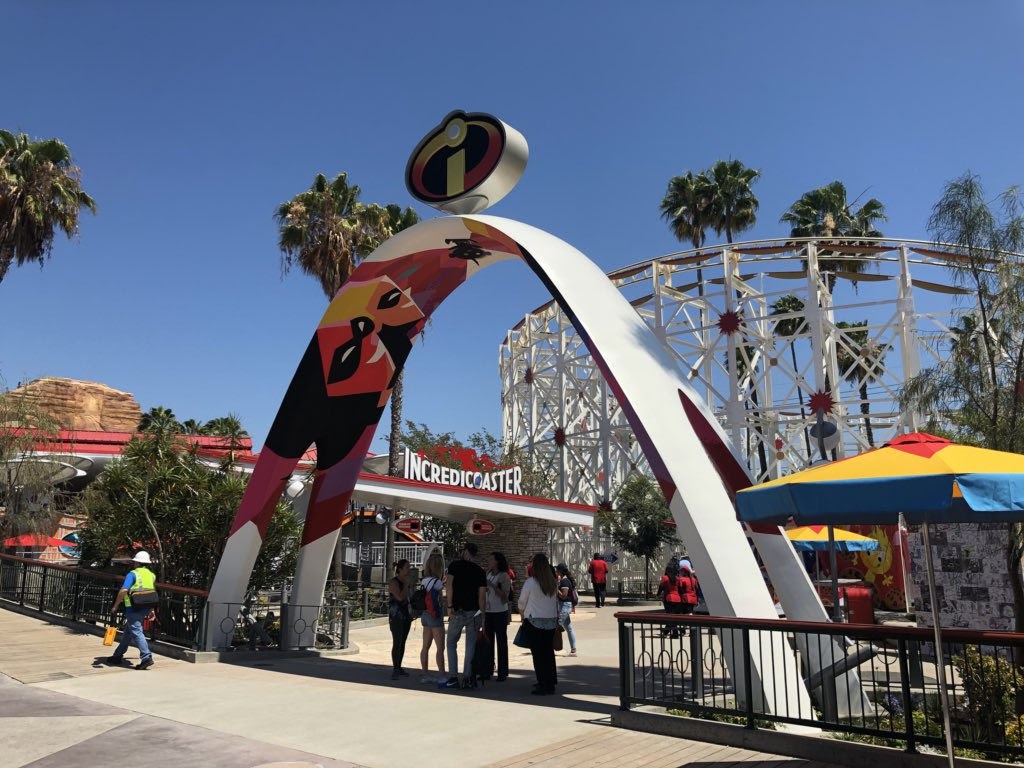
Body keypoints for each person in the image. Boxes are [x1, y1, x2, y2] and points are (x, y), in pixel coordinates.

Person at [445, 541, 486, 689]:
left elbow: (449, 586)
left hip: (457, 610)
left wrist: (449, 606)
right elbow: (482, 596)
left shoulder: (454, 566)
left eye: (462, 550)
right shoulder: (480, 571)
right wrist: (483, 615)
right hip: (474, 612)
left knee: (451, 643)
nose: (461, 552)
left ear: (467, 551)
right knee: (470, 646)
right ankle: (468, 678)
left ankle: (453, 677)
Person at [106, 551, 157, 670]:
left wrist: (116, 605)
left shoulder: (132, 574)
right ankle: (117, 656)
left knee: (137, 632)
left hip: (133, 607)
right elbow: (151, 592)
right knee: (128, 633)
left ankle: (146, 657)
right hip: (145, 606)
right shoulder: (151, 575)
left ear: (137, 562)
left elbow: (124, 591)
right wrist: (152, 609)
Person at [517, 552, 559, 695]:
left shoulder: (531, 582)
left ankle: (542, 683)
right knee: (548, 652)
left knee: (538, 654)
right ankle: (551, 682)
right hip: (551, 621)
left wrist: (521, 612)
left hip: (534, 620)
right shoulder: (553, 582)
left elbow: (522, 601)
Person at [418, 552, 447, 684]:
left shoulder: (424, 580)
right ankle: (442, 675)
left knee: (425, 646)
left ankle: (425, 674)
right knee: (440, 647)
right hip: (435, 615)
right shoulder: (438, 582)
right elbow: (441, 599)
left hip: (425, 614)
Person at [485, 551, 512, 681]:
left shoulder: (504, 576)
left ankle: (503, 671)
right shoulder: (488, 574)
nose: (489, 562)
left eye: (491, 559)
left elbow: (505, 596)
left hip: (500, 612)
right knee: (488, 641)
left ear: (497, 562)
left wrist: (492, 586)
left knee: (501, 642)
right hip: (488, 612)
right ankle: (488, 668)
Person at [387, 559, 413, 679]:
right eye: (407, 567)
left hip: (406, 615)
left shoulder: (407, 581)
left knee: (403, 641)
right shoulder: (394, 582)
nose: (409, 570)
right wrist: (407, 585)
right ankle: (395, 668)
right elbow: (400, 598)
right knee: (397, 641)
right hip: (396, 615)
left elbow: (408, 599)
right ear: (400, 569)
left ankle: (399, 666)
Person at [555, 563, 578, 656]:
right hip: (565, 606)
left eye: (557, 570)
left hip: (565, 606)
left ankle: (553, 647)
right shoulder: (564, 580)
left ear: (560, 571)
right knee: (569, 628)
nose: (556, 572)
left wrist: (555, 588)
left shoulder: (565, 581)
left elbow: (563, 596)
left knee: (556, 626)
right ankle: (573, 649)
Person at [656, 560, 682, 638]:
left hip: (669, 598)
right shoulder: (677, 578)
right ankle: (666, 632)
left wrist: (658, 595)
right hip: (677, 599)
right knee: (673, 617)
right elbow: (680, 589)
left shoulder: (665, 578)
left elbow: (661, 587)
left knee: (670, 617)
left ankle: (675, 633)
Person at [677, 564, 699, 635]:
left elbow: (679, 589)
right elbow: (697, 589)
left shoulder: (681, 579)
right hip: (693, 598)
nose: (680, 572)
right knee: (689, 613)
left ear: (684, 572)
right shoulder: (694, 580)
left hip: (685, 598)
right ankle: (687, 629)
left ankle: (688, 629)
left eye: (681, 571)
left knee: (685, 614)